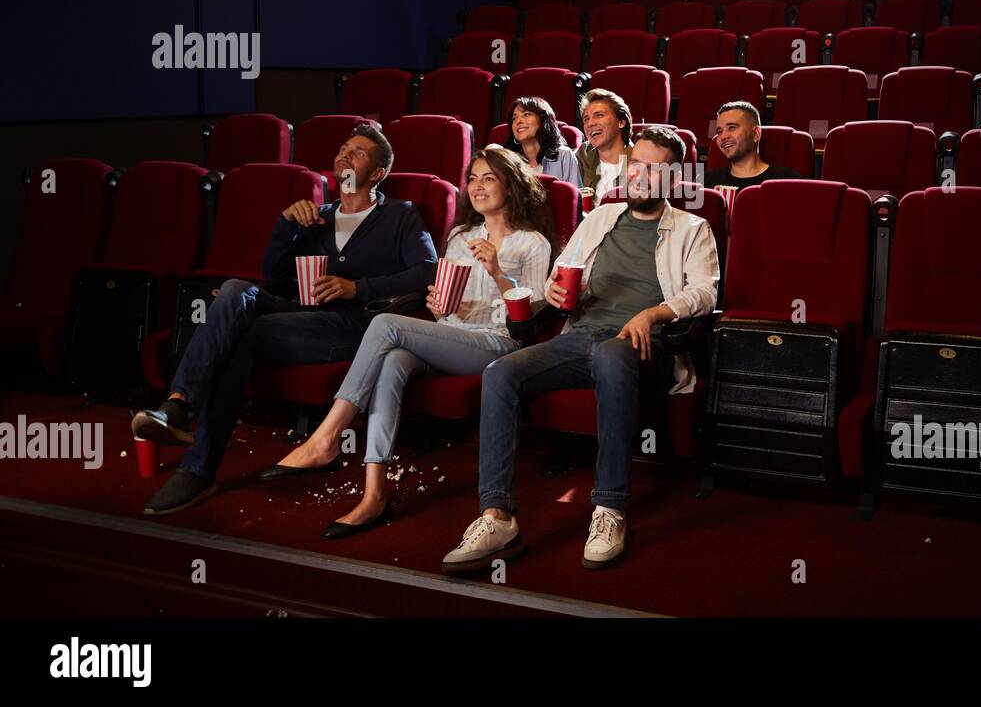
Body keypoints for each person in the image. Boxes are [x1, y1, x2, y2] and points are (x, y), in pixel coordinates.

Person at [442, 126, 719, 574]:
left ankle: (609, 507)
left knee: (611, 353)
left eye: (653, 169)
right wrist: (553, 291)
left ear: (672, 178)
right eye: (636, 166)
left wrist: (653, 313)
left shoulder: (693, 228)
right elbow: (562, 271)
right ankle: (497, 517)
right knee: (500, 372)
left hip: (643, 346)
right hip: (578, 336)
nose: (640, 176)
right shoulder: (599, 219)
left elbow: (705, 293)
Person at [132, 124, 436, 516]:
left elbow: (427, 271)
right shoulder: (317, 217)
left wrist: (356, 288)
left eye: (358, 152)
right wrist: (286, 225)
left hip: (354, 325)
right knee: (235, 289)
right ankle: (178, 404)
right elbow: (273, 276)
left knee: (243, 335)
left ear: (378, 174)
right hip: (299, 314)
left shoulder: (399, 215)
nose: (345, 155)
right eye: (343, 148)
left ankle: (197, 466)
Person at [259, 148, 554, 538]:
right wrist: (438, 306)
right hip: (455, 337)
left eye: (489, 178)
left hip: (499, 346)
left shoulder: (533, 243)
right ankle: (373, 493)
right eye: (473, 178)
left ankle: (326, 437)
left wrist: (498, 272)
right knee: (395, 359)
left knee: (384, 325)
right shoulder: (460, 237)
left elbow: (527, 320)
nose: (477, 187)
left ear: (511, 185)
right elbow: (448, 311)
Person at [702, 100, 803, 189]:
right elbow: (689, 209)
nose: (723, 136)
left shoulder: (787, 180)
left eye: (732, 127)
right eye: (719, 131)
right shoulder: (704, 181)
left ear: (756, 134)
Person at [502, 96, 580, 188]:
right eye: (514, 118)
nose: (518, 121)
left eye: (526, 114)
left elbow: (576, 197)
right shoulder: (507, 161)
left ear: (543, 120)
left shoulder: (564, 155)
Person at [575, 88, 633, 207]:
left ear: (621, 122)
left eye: (599, 115)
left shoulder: (643, 163)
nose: (590, 123)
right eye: (586, 119)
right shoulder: (581, 154)